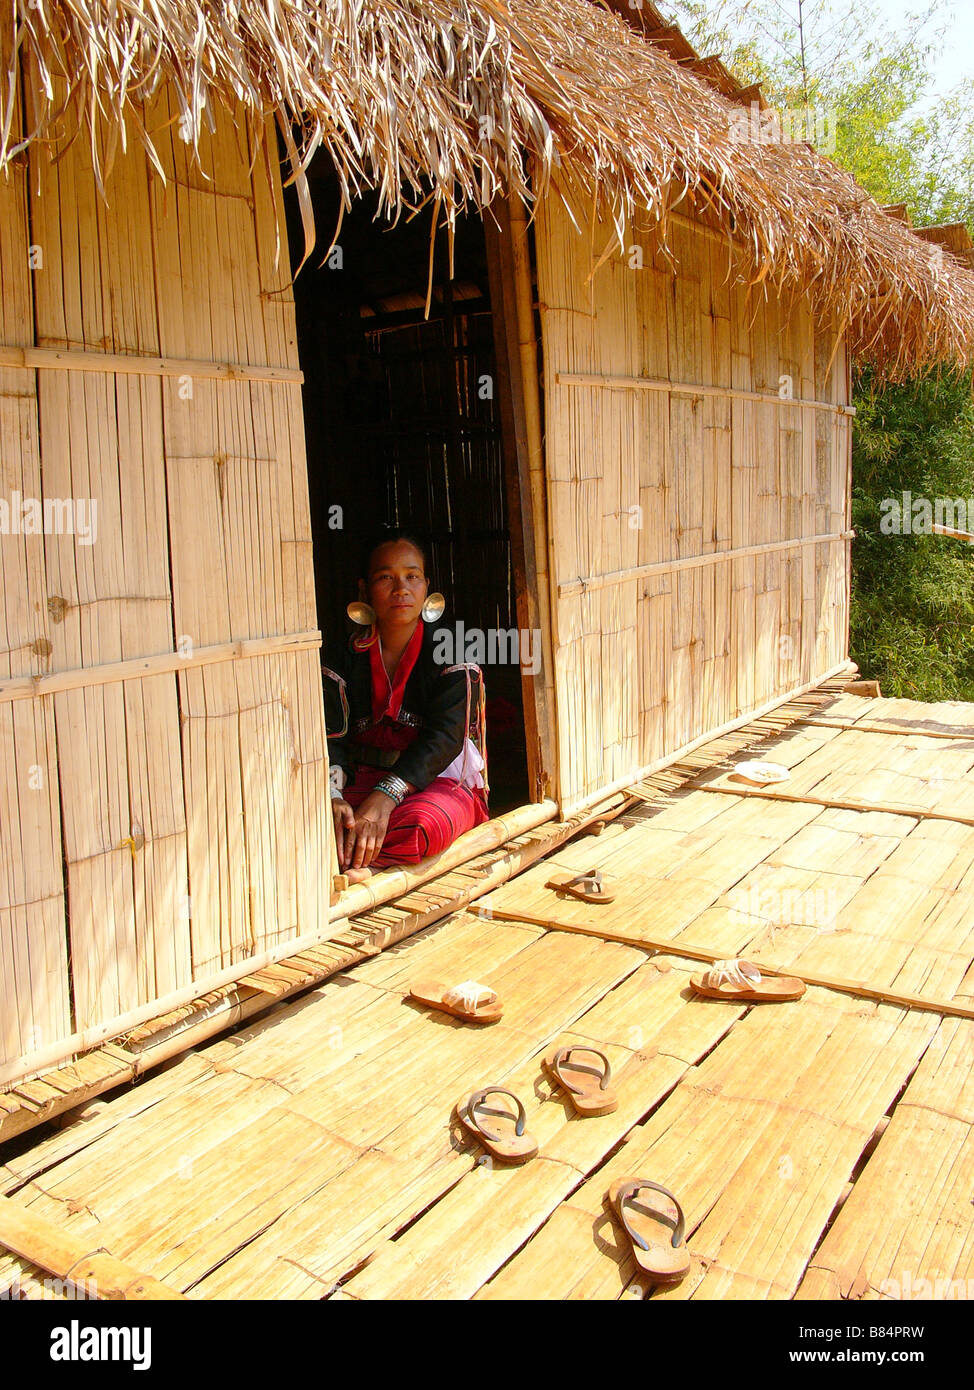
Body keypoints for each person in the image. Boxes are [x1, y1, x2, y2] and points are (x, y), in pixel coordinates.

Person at [322, 534, 489, 883]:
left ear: (427, 586)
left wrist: (386, 796)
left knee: (423, 824)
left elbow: (444, 739)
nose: (401, 588)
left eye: (412, 576)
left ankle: (352, 859)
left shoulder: (451, 649)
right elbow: (329, 735)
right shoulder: (343, 655)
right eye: (386, 577)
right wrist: (334, 795)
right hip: (359, 779)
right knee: (320, 821)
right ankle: (365, 854)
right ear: (365, 589)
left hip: (433, 782)